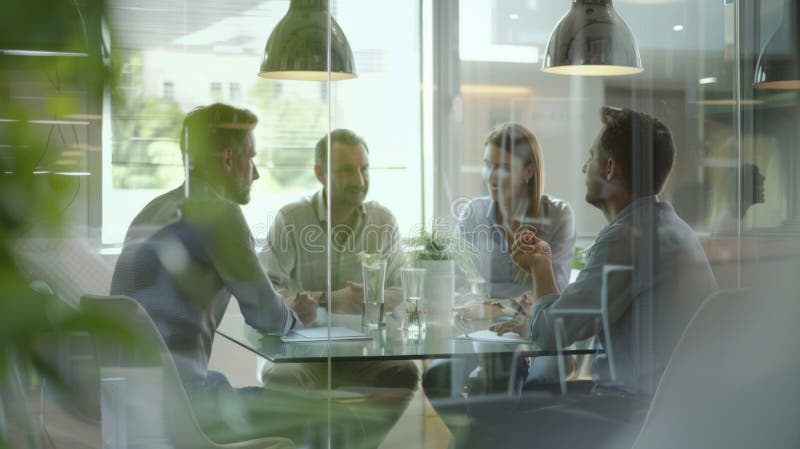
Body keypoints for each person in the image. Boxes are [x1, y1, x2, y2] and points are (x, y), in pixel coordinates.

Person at [433, 107, 718, 449]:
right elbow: (562, 325)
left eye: (591, 156)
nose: (585, 167)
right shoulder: (666, 228)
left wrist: (540, 267)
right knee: (496, 411)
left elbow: (553, 332)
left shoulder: (629, 238)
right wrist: (542, 271)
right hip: (668, 407)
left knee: (479, 433)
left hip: (632, 412)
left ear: (609, 168)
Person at [109, 103, 349, 445]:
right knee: (335, 418)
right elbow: (267, 317)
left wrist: (277, 305)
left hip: (140, 407)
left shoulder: (151, 211)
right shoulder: (219, 215)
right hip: (189, 406)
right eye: (251, 158)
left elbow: (256, 296)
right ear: (225, 160)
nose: (256, 173)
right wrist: (298, 314)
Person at [259, 129, 419, 448]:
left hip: (365, 352)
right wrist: (330, 300)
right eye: (347, 170)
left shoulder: (383, 221)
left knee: (404, 372)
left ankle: (360, 443)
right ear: (320, 173)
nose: (359, 180)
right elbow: (268, 294)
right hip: (304, 355)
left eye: (364, 169)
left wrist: (370, 298)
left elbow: (401, 291)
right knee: (280, 378)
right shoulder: (291, 219)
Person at [423, 123, 578, 408]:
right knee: (437, 376)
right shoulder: (475, 213)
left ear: (528, 172)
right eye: (487, 165)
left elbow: (553, 298)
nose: (491, 177)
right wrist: (497, 305)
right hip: (481, 331)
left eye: (503, 168)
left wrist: (495, 306)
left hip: (534, 337)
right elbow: (455, 284)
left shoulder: (558, 216)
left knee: (498, 376)